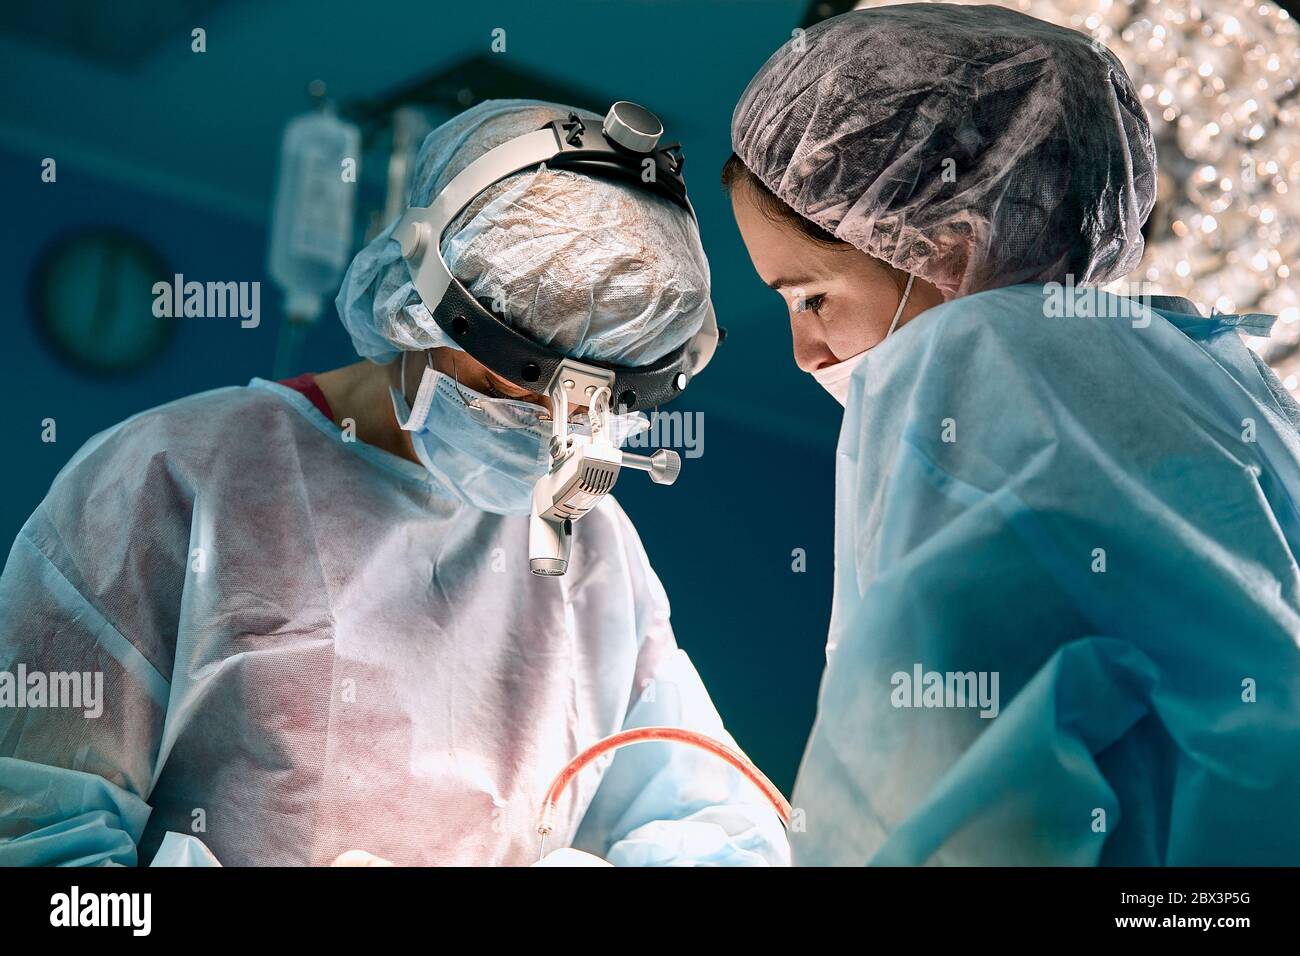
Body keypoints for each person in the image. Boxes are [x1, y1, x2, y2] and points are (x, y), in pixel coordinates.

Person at [0, 100, 789, 867]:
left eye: (602, 401)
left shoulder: (595, 549)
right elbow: (35, 839)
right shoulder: (173, 478)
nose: (558, 429)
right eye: (522, 384)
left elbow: (719, 826)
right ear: (423, 309)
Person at [725, 5, 1300, 865]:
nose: (806, 352)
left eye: (811, 297)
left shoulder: (973, 355)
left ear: (950, 250)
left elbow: (936, 773)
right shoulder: (1209, 375)